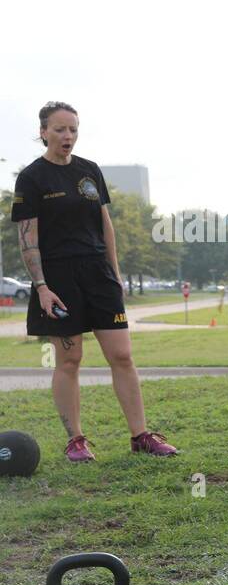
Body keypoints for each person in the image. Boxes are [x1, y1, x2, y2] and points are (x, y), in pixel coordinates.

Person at [11, 101, 179, 462]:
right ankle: (76, 440)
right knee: (70, 360)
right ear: (44, 133)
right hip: (57, 278)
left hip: (98, 274)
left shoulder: (89, 171)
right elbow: (28, 238)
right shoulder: (31, 178)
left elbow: (106, 226)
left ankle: (141, 436)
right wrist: (41, 286)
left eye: (72, 129)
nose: (67, 136)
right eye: (59, 129)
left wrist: (114, 275)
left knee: (122, 355)